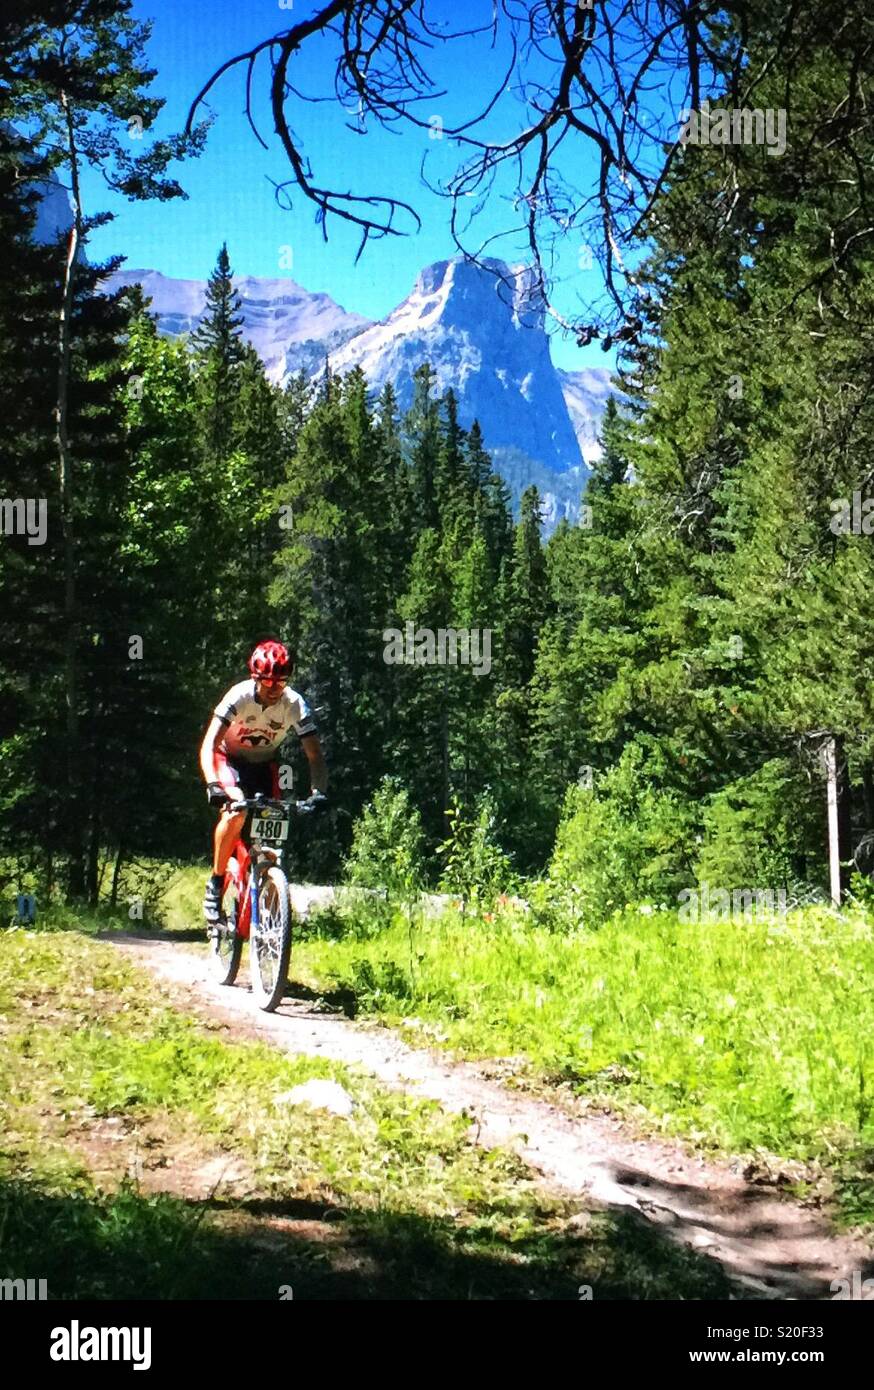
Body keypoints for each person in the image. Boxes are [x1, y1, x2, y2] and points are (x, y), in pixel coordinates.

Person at [199, 639, 327, 924]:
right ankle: (216, 883)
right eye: (268, 683)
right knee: (236, 812)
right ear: (255, 679)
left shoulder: (294, 704)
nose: (274, 690)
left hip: (264, 765)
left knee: (273, 836)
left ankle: (269, 902)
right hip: (228, 761)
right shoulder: (238, 696)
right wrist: (213, 784)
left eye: (280, 683)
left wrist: (318, 792)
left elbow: (315, 755)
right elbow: (209, 744)